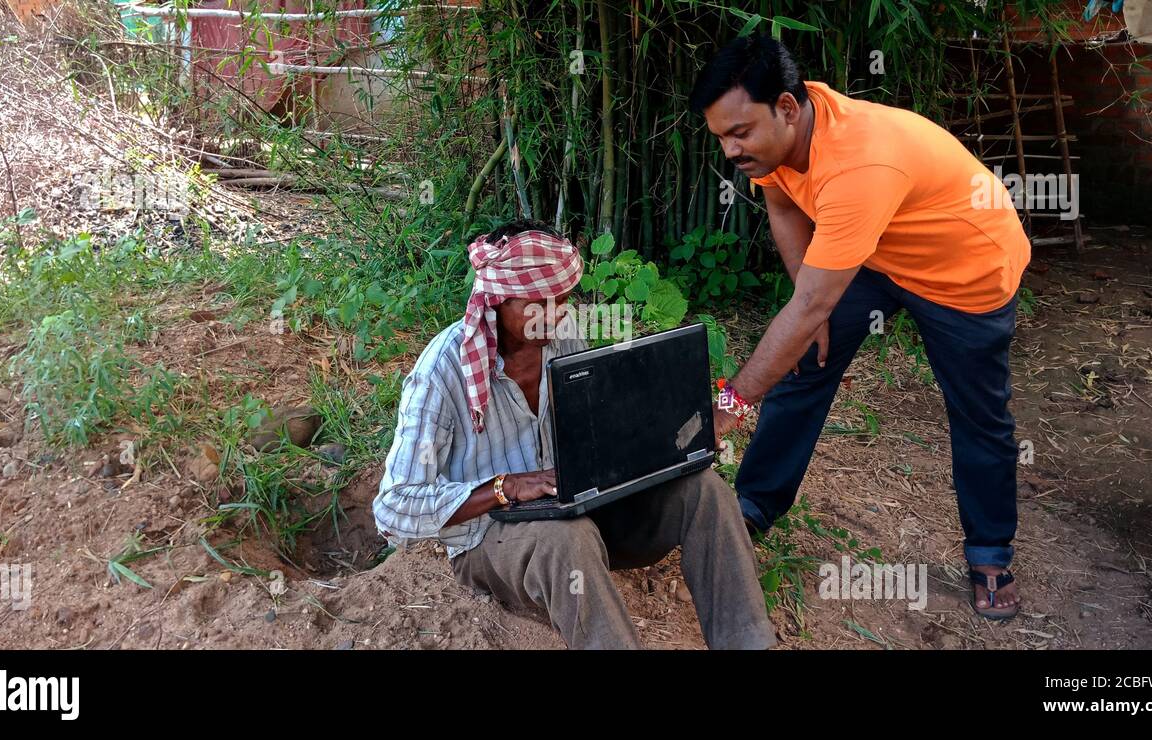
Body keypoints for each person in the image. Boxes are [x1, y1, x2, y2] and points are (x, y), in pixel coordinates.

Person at [689, 36, 1031, 619]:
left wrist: (731, 403)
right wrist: (809, 301)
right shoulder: (778, 144)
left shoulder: (860, 163)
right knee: (804, 361)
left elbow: (809, 306)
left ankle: (990, 552)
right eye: (720, 135)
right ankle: (752, 506)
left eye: (740, 132)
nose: (729, 151)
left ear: (788, 109)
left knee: (979, 415)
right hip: (879, 254)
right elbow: (783, 205)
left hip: (966, 269)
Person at [373, 219, 777, 648]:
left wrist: (655, 442)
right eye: (536, 305)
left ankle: (747, 642)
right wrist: (504, 488)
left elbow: (597, 431)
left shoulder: (565, 338)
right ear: (495, 299)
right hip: (490, 538)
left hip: (581, 510)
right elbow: (392, 508)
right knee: (567, 537)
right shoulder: (442, 371)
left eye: (562, 301)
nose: (553, 317)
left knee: (704, 490)